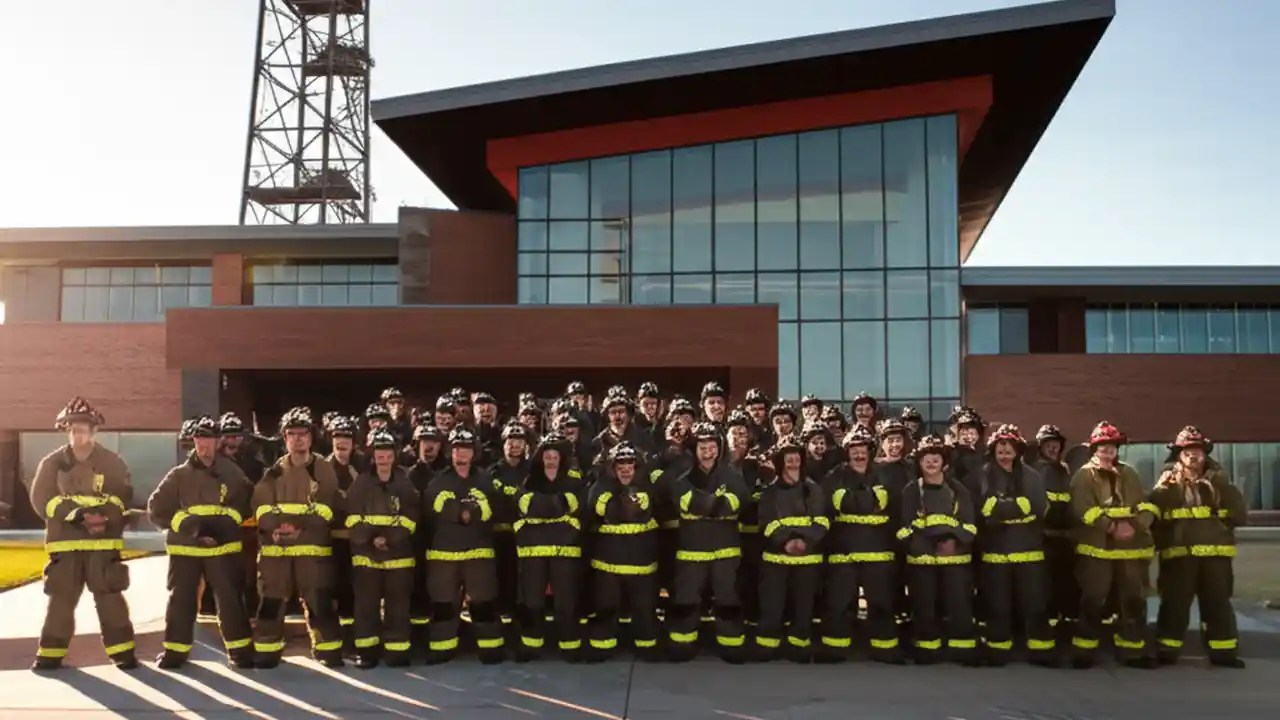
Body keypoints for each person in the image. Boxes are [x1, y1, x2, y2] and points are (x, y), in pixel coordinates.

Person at [30, 397, 137, 670]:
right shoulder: (52, 463)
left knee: (110, 600)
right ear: (68, 431)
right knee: (61, 602)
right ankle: (50, 656)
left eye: (84, 429)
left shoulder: (111, 462)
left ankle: (123, 654)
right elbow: (42, 499)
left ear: (93, 431)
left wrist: (104, 516)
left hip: (103, 545)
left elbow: (123, 496)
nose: (79, 434)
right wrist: (77, 514)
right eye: (74, 429)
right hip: (65, 547)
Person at [148, 415, 254, 669]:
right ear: (193, 441)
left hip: (222, 548)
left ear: (218, 441)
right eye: (198, 439)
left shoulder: (232, 473)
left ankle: (240, 653)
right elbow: (157, 509)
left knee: (230, 599)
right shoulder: (179, 476)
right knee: (181, 599)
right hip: (186, 549)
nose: (203, 445)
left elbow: (246, 503)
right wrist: (191, 527)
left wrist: (225, 527)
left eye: (208, 439)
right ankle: (175, 652)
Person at [251, 407, 344, 669]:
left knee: (319, 604)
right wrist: (273, 529)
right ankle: (267, 652)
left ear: (311, 437)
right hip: (276, 554)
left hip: (311, 553)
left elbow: (326, 506)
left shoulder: (322, 469)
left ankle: (329, 652)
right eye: (292, 434)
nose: (298, 439)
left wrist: (299, 528)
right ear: (284, 438)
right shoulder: (274, 471)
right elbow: (260, 505)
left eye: (303, 433)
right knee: (270, 604)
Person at [1151, 426, 1247, 668]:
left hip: (1216, 556)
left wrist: (1218, 517)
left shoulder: (1220, 482)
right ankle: (1166, 651)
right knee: (1174, 605)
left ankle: (1224, 653)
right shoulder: (1168, 484)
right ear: (1179, 456)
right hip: (1180, 556)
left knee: (1218, 605)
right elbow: (1154, 514)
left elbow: (1240, 514)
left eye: (1197, 451)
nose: (1193, 456)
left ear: (1205, 454)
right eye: (1187, 452)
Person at [1069, 421, 1158, 669]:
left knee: (1133, 599)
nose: (1107, 451)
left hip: (1131, 548)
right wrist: (1111, 527)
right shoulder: (1084, 476)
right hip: (1098, 550)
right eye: (1102, 447)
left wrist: (1138, 525)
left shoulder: (1129, 473)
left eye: (1111, 447)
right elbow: (1082, 510)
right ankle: (1084, 651)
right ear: (1094, 449)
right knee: (1093, 599)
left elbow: (1144, 504)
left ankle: (1133, 651)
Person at [967, 424, 1054, 666]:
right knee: (997, 604)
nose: (1005, 452)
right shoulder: (981, 477)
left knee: (1035, 603)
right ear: (993, 450)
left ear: (1018, 450)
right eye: (1000, 448)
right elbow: (980, 510)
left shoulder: (1032, 476)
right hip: (995, 554)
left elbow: (1036, 508)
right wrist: (1017, 508)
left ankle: (1040, 650)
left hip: (1029, 553)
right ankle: (997, 650)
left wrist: (998, 510)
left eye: (1009, 447)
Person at [818, 425, 902, 664]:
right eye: (853, 449)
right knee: (838, 603)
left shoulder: (885, 475)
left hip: (878, 554)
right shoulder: (834, 476)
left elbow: (883, 504)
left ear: (870, 450)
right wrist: (868, 498)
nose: (858, 453)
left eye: (862, 448)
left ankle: (885, 649)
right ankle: (835, 649)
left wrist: (854, 499)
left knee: (882, 603)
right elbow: (838, 503)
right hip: (843, 554)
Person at [666, 422, 749, 663]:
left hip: (726, 552)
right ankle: (682, 645)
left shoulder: (732, 476)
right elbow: (684, 502)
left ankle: (732, 646)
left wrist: (705, 504)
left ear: (719, 449)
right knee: (686, 600)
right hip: (692, 552)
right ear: (695, 450)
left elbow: (738, 502)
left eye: (711, 446)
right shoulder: (683, 477)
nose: (707, 452)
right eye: (702, 447)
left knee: (728, 600)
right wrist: (717, 504)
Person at [423, 427, 505, 664]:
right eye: (457, 448)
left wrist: (472, 511)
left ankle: (490, 650)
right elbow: (432, 510)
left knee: (484, 603)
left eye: (467, 449)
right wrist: (463, 512)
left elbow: (494, 510)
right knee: (444, 604)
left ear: (474, 453)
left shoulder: (485, 479)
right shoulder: (439, 480)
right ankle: (442, 649)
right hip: (444, 555)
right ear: (451, 452)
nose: (461, 454)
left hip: (478, 553)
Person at [898, 435, 978, 665]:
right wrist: (925, 545)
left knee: (959, 604)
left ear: (944, 463)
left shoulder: (958, 490)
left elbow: (970, 524)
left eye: (936, 459)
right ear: (919, 463)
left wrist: (955, 541)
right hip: (922, 560)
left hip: (955, 559)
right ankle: (927, 649)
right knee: (924, 606)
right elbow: (905, 528)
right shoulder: (912, 490)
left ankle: (961, 650)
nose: (931, 464)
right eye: (927, 460)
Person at [345, 430, 420, 669]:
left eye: (388, 454)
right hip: (367, 556)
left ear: (394, 456)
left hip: (399, 556)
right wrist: (371, 538)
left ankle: (397, 652)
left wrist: (391, 538)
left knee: (398, 606)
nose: (384, 459)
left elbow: (411, 517)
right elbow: (351, 518)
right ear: (373, 456)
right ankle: (366, 653)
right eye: (380, 454)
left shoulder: (405, 483)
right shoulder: (362, 483)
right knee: (366, 606)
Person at [510, 432, 586, 662]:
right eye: (547, 456)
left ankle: (570, 646)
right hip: (533, 552)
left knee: (567, 601)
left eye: (555, 456)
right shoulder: (528, 480)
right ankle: (531, 645)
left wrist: (543, 508)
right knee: (532, 601)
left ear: (561, 459)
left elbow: (574, 505)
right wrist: (556, 508)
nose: (551, 460)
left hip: (565, 552)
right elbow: (525, 505)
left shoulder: (574, 481)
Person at [753, 435, 828, 662]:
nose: (793, 462)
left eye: (797, 458)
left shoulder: (813, 490)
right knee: (772, 604)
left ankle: (799, 646)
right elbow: (765, 524)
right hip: (776, 559)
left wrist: (806, 541)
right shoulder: (770, 492)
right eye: (788, 458)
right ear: (780, 463)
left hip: (808, 558)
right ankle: (767, 645)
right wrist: (785, 541)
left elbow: (822, 521)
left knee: (803, 605)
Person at [586, 443, 661, 661]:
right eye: (621, 465)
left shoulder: (648, 487)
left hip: (643, 563)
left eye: (631, 464)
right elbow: (610, 511)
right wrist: (623, 504)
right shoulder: (600, 487)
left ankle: (647, 647)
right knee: (606, 608)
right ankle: (602, 648)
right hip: (608, 563)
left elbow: (640, 510)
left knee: (644, 608)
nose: (626, 469)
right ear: (612, 467)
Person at [1028, 425, 1078, 636]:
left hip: (1065, 539)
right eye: (1048, 445)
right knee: (1045, 588)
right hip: (1044, 539)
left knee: (1065, 586)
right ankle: (1045, 630)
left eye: (1055, 445)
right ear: (1040, 447)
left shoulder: (1064, 470)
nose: (1052, 448)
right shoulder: (1037, 470)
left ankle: (1063, 626)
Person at [323, 414, 362, 642]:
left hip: (357, 540)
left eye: (346, 436)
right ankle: (332, 636)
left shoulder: (362, 466)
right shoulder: (322, 467)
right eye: (337, 436)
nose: (342, 441)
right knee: (330, 588)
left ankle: (351, 634)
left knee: (354, 589)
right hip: (329, 540)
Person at [489, 420, 531, 624]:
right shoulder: (492, 473)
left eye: (519, 441)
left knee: (524, 584)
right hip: (499, 538)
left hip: (526, 537)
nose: (514, 445)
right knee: (500, 581)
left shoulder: (533, 472)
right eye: (510, 441)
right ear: (503, 444)